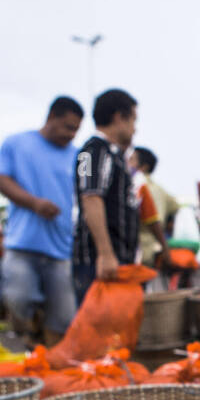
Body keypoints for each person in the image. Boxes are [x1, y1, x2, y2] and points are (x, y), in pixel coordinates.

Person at [0, 96, 83, 343]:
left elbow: (88, 192)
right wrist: (35, 203)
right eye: (68, 127)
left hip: (61, 249)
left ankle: (50, 365)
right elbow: (2, 181)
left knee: (64, 317)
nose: (72, 134)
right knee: (18, 299)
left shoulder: (79, 156)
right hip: (23, 243)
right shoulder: (16, 143)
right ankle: (32, 333)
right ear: (51, 117)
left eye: (76, 129)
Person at [73, 88, 141, 309]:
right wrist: (105, 253)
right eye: (133, 120)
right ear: (119, 118)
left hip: (116, 260)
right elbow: (91, 198)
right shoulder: (93, 151)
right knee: (98, 333)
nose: (134, 129)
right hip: (99, 262)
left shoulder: (115, 156)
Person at [130, 147, 174, 270]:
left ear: (143, 167)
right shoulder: (162, 191)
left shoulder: (137, 185)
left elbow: (152, 219)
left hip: (138, 251)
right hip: (153, 252)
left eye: (131, 159)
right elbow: (178, 209)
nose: (127, 162)